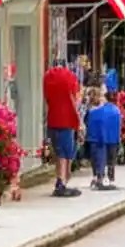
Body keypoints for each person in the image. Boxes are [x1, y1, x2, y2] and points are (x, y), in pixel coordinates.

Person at [43, 64, 82, 197]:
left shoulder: (48, 80)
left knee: (59, 152)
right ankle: (62, 182)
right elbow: (74, 100)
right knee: (67, 153)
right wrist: (80, 123)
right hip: (67, 121)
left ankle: (60, 181)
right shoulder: (69, 84)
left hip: (53, 120)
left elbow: (47, 99)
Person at [85, 86, 122, 191]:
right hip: (112, 138)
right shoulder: (115, 110)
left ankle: (99, 177)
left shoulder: (93, 112)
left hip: (97, 138)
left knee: (99, 158)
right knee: (111, 159)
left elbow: (89, 123)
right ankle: (109, 179)